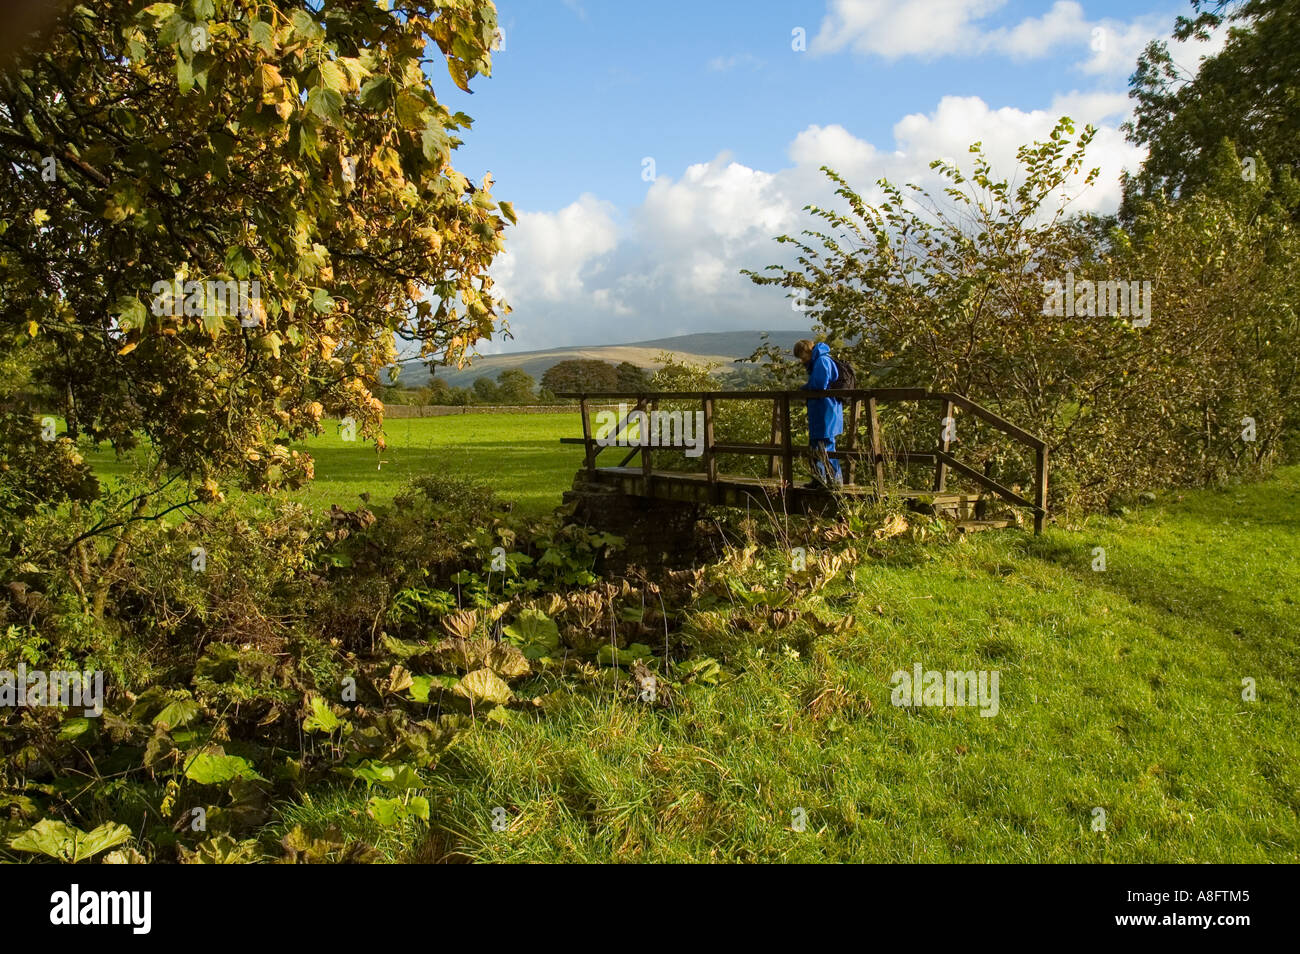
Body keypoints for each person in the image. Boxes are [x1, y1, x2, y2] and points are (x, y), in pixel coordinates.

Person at [793, 339, 843, 487]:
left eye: (802, 356)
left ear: (807, 351)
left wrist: (804, 388)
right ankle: (820, 479)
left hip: (825, 409)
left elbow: (819, 384)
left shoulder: (822, 361)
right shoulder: (819, 361)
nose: (802, 360)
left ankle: (834, 480)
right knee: (817, 445)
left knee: (825, 444)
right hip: (821, 409)